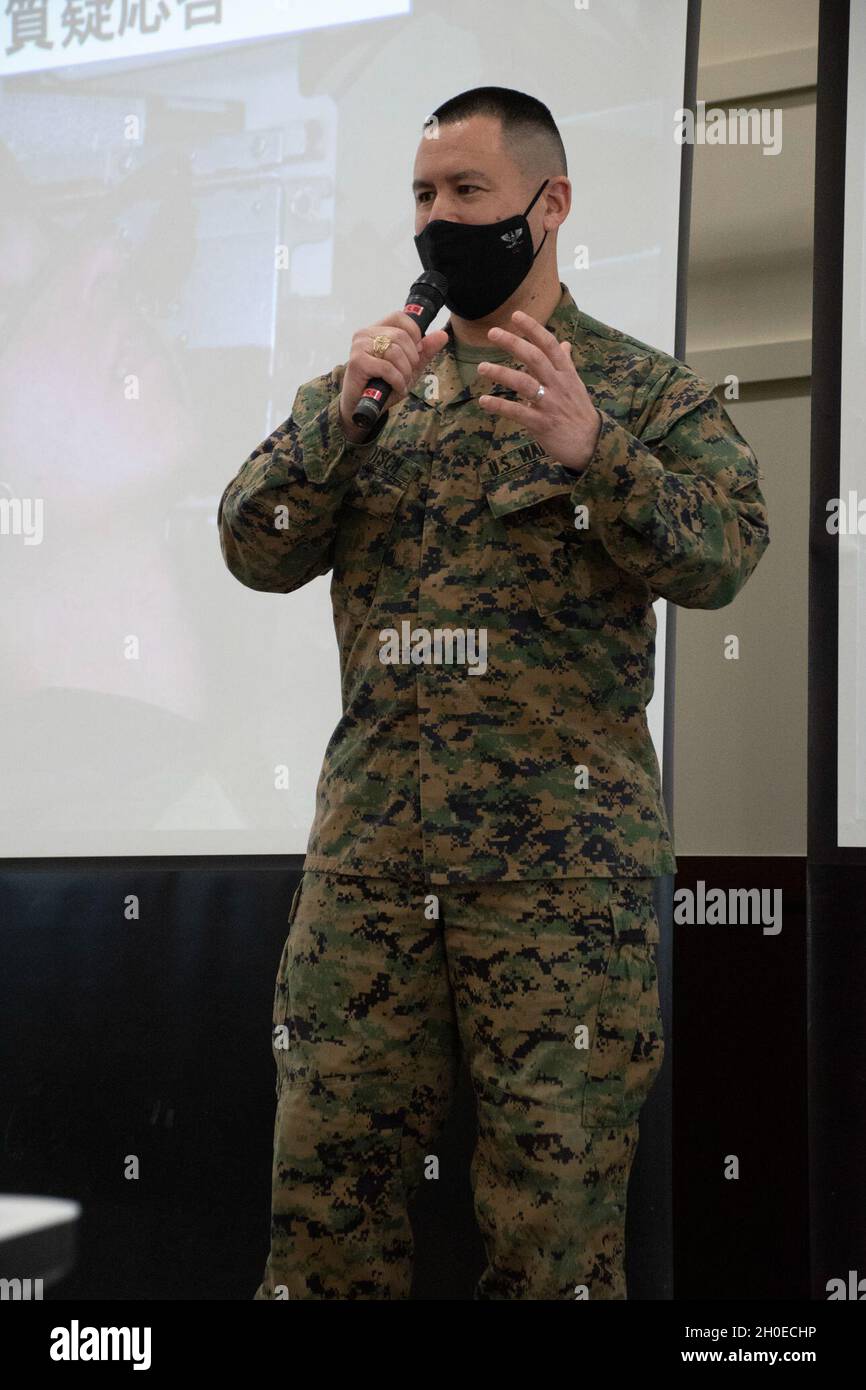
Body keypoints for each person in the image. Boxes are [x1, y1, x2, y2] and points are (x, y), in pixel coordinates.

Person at [218, 86, 770, 1299]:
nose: (440, 220)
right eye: (423, 196)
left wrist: (598, 456)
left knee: (552, 1229)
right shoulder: (368, 391)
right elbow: (252, 544)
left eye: (468, 193)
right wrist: (339, 431)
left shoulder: (638, 392)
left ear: (547, 204)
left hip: (561, 884)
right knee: (323, 1209)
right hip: (369, 868)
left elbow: (727, 554)